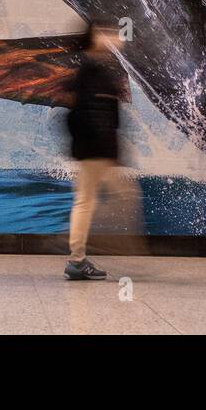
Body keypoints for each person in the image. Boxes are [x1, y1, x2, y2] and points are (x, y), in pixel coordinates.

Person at [63, 21, 143, 280]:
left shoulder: (96, 70)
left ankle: (82, 252)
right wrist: (104, 149)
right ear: (95, 38)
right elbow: (85, 115)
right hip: (96, 151)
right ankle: (80, 256)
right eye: (107, 33)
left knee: (95, 199)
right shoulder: (90, 73)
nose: (115, 38)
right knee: (93, 200)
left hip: (97, 150)